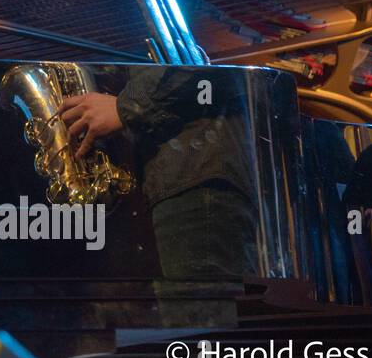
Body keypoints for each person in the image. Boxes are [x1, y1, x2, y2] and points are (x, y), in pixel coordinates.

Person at [58, 66, 260, 280]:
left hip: (195, 177)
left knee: (200, 310)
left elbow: (198, 65)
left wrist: (124, 107)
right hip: (174, 181)